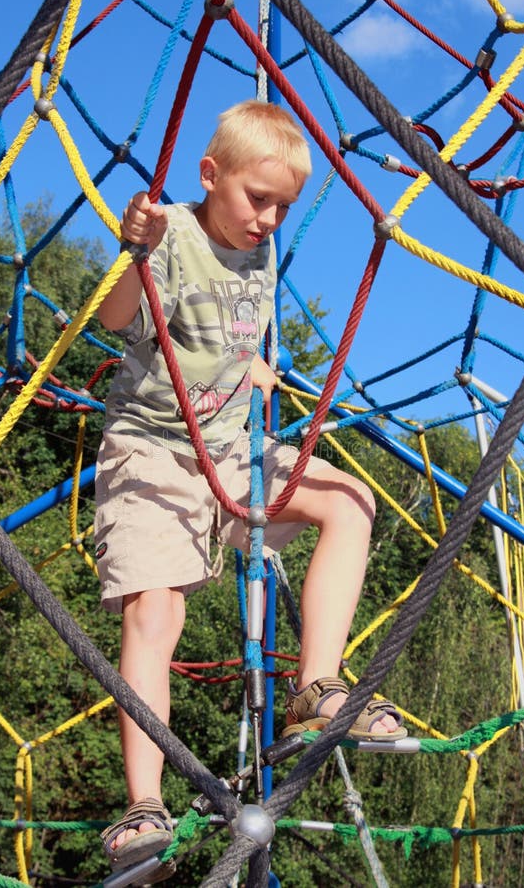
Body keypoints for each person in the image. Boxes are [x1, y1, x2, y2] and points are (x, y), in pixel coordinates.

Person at [95, 99, 406, 879]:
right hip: (155, 449)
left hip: (231, 448)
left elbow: (229, 328)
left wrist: (252, 366)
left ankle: (316, 692)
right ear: (211, 176)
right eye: (254, 199)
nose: (267, 219)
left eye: (282, 206)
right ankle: (142, 807)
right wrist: (132, 252)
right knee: (155, 607)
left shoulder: (258, 252)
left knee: (351, 502)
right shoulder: (171, 229)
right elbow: (115, 317)